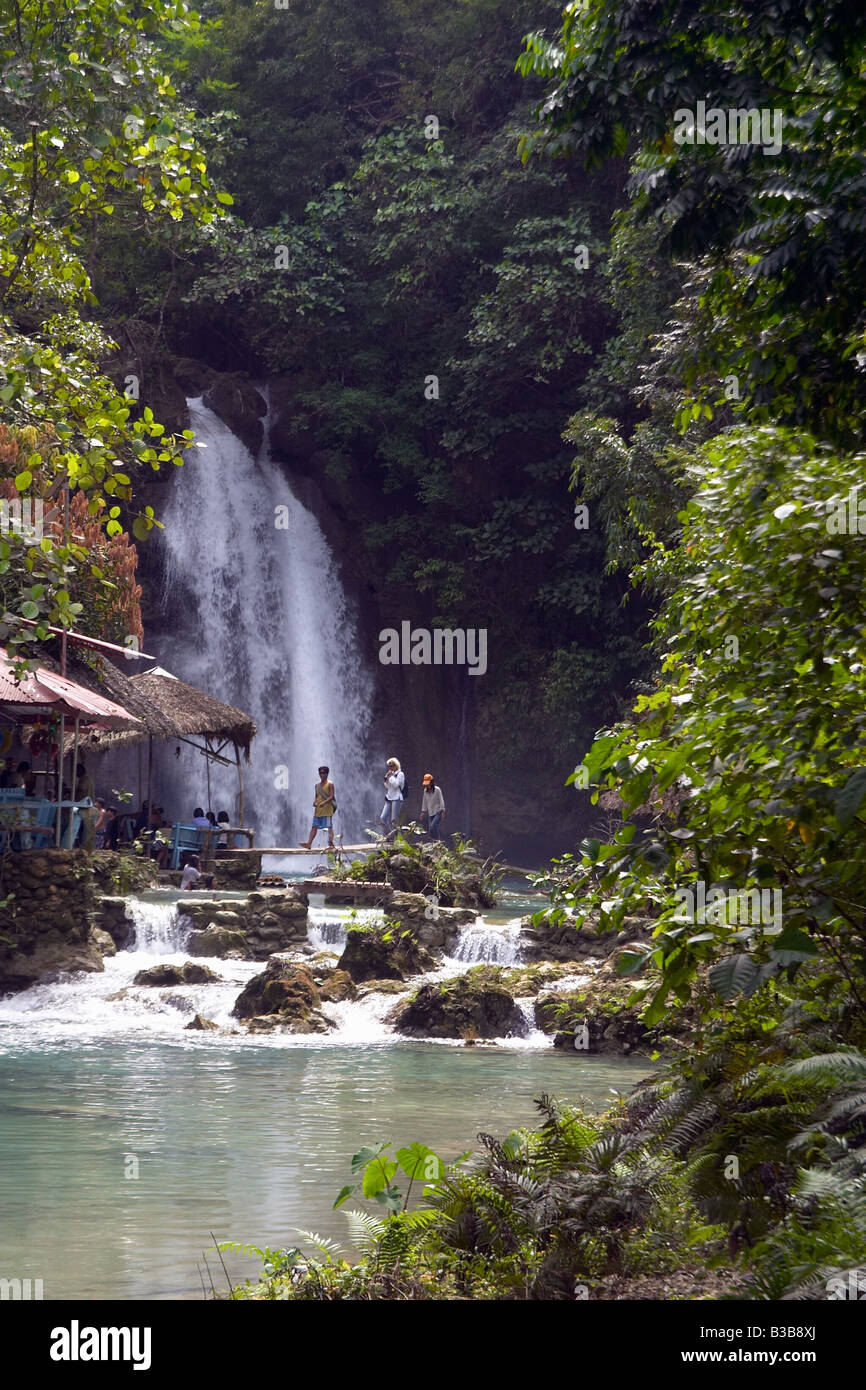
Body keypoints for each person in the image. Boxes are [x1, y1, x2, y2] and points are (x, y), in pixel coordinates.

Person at [300, 766, 337, 850]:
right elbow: (316, 796)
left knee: (329, 827)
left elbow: (331, 796)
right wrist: (314, 802)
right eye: (320, 773)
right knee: (314, 826)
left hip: (327, 810)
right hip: (318, 810)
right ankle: (309, 843)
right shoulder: (317, 785)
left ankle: (331, 844)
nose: (321, 775)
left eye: (323, 773)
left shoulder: (330, 784)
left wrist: (324, 802)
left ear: (327, 774)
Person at [379, 757, 404, 838]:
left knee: (394, 821)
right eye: (389, 766)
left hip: (397, 798)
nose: (390, 768)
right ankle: (389, 836)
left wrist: (391, 777)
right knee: (383, 817)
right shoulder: (390, 774)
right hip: (389, 798)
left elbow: (396, 785)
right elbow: (387, 786)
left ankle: (397, 839)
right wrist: (386, 780)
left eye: (392, 766)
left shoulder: (400, 774)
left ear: (396, 765)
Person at [419, 774, 446, 840]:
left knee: (432, 826)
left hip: (438, 812)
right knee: (431, 830)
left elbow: (441, 800)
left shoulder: (437, 790)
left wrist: (443, 810)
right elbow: (424, 801)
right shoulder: (425, 791)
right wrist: (423, 812)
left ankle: (438, 841)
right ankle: (436, 842)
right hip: (430, 812)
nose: (427, 786)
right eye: (426, 784)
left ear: (431, 782)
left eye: (428, 784)